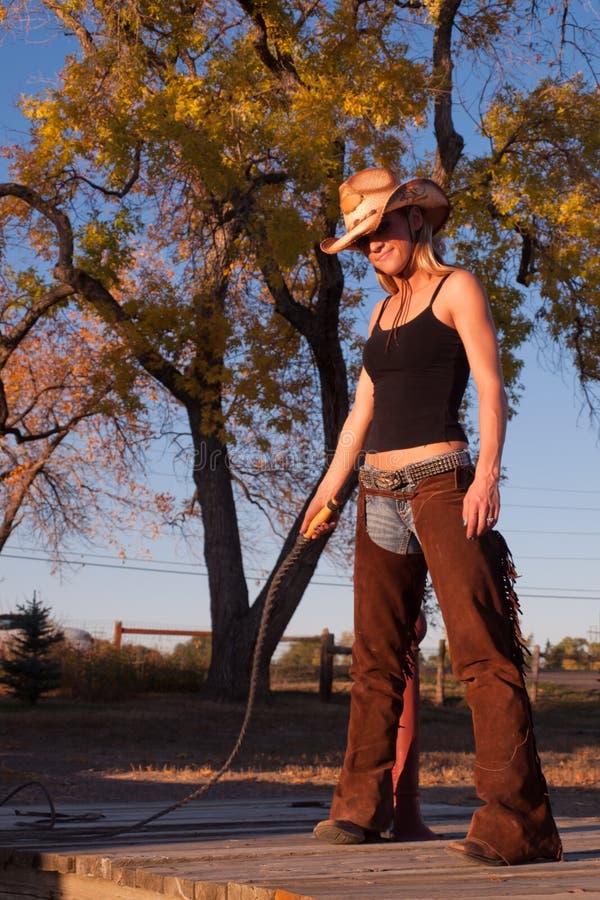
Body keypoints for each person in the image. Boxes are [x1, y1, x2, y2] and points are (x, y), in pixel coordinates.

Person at [301, 167, 562, 866]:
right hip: (376, 493)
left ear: (415, 219)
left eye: (380, 227)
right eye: (362, 239)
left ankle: (519, 824)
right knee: (375, 659)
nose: (372, 245)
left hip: (444, 486)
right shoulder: (378, 316)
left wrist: (488, 477)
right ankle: (360, 808)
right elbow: (360, 415)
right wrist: (327, 493)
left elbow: (490, 386)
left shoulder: (458, 288)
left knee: (483, 653)